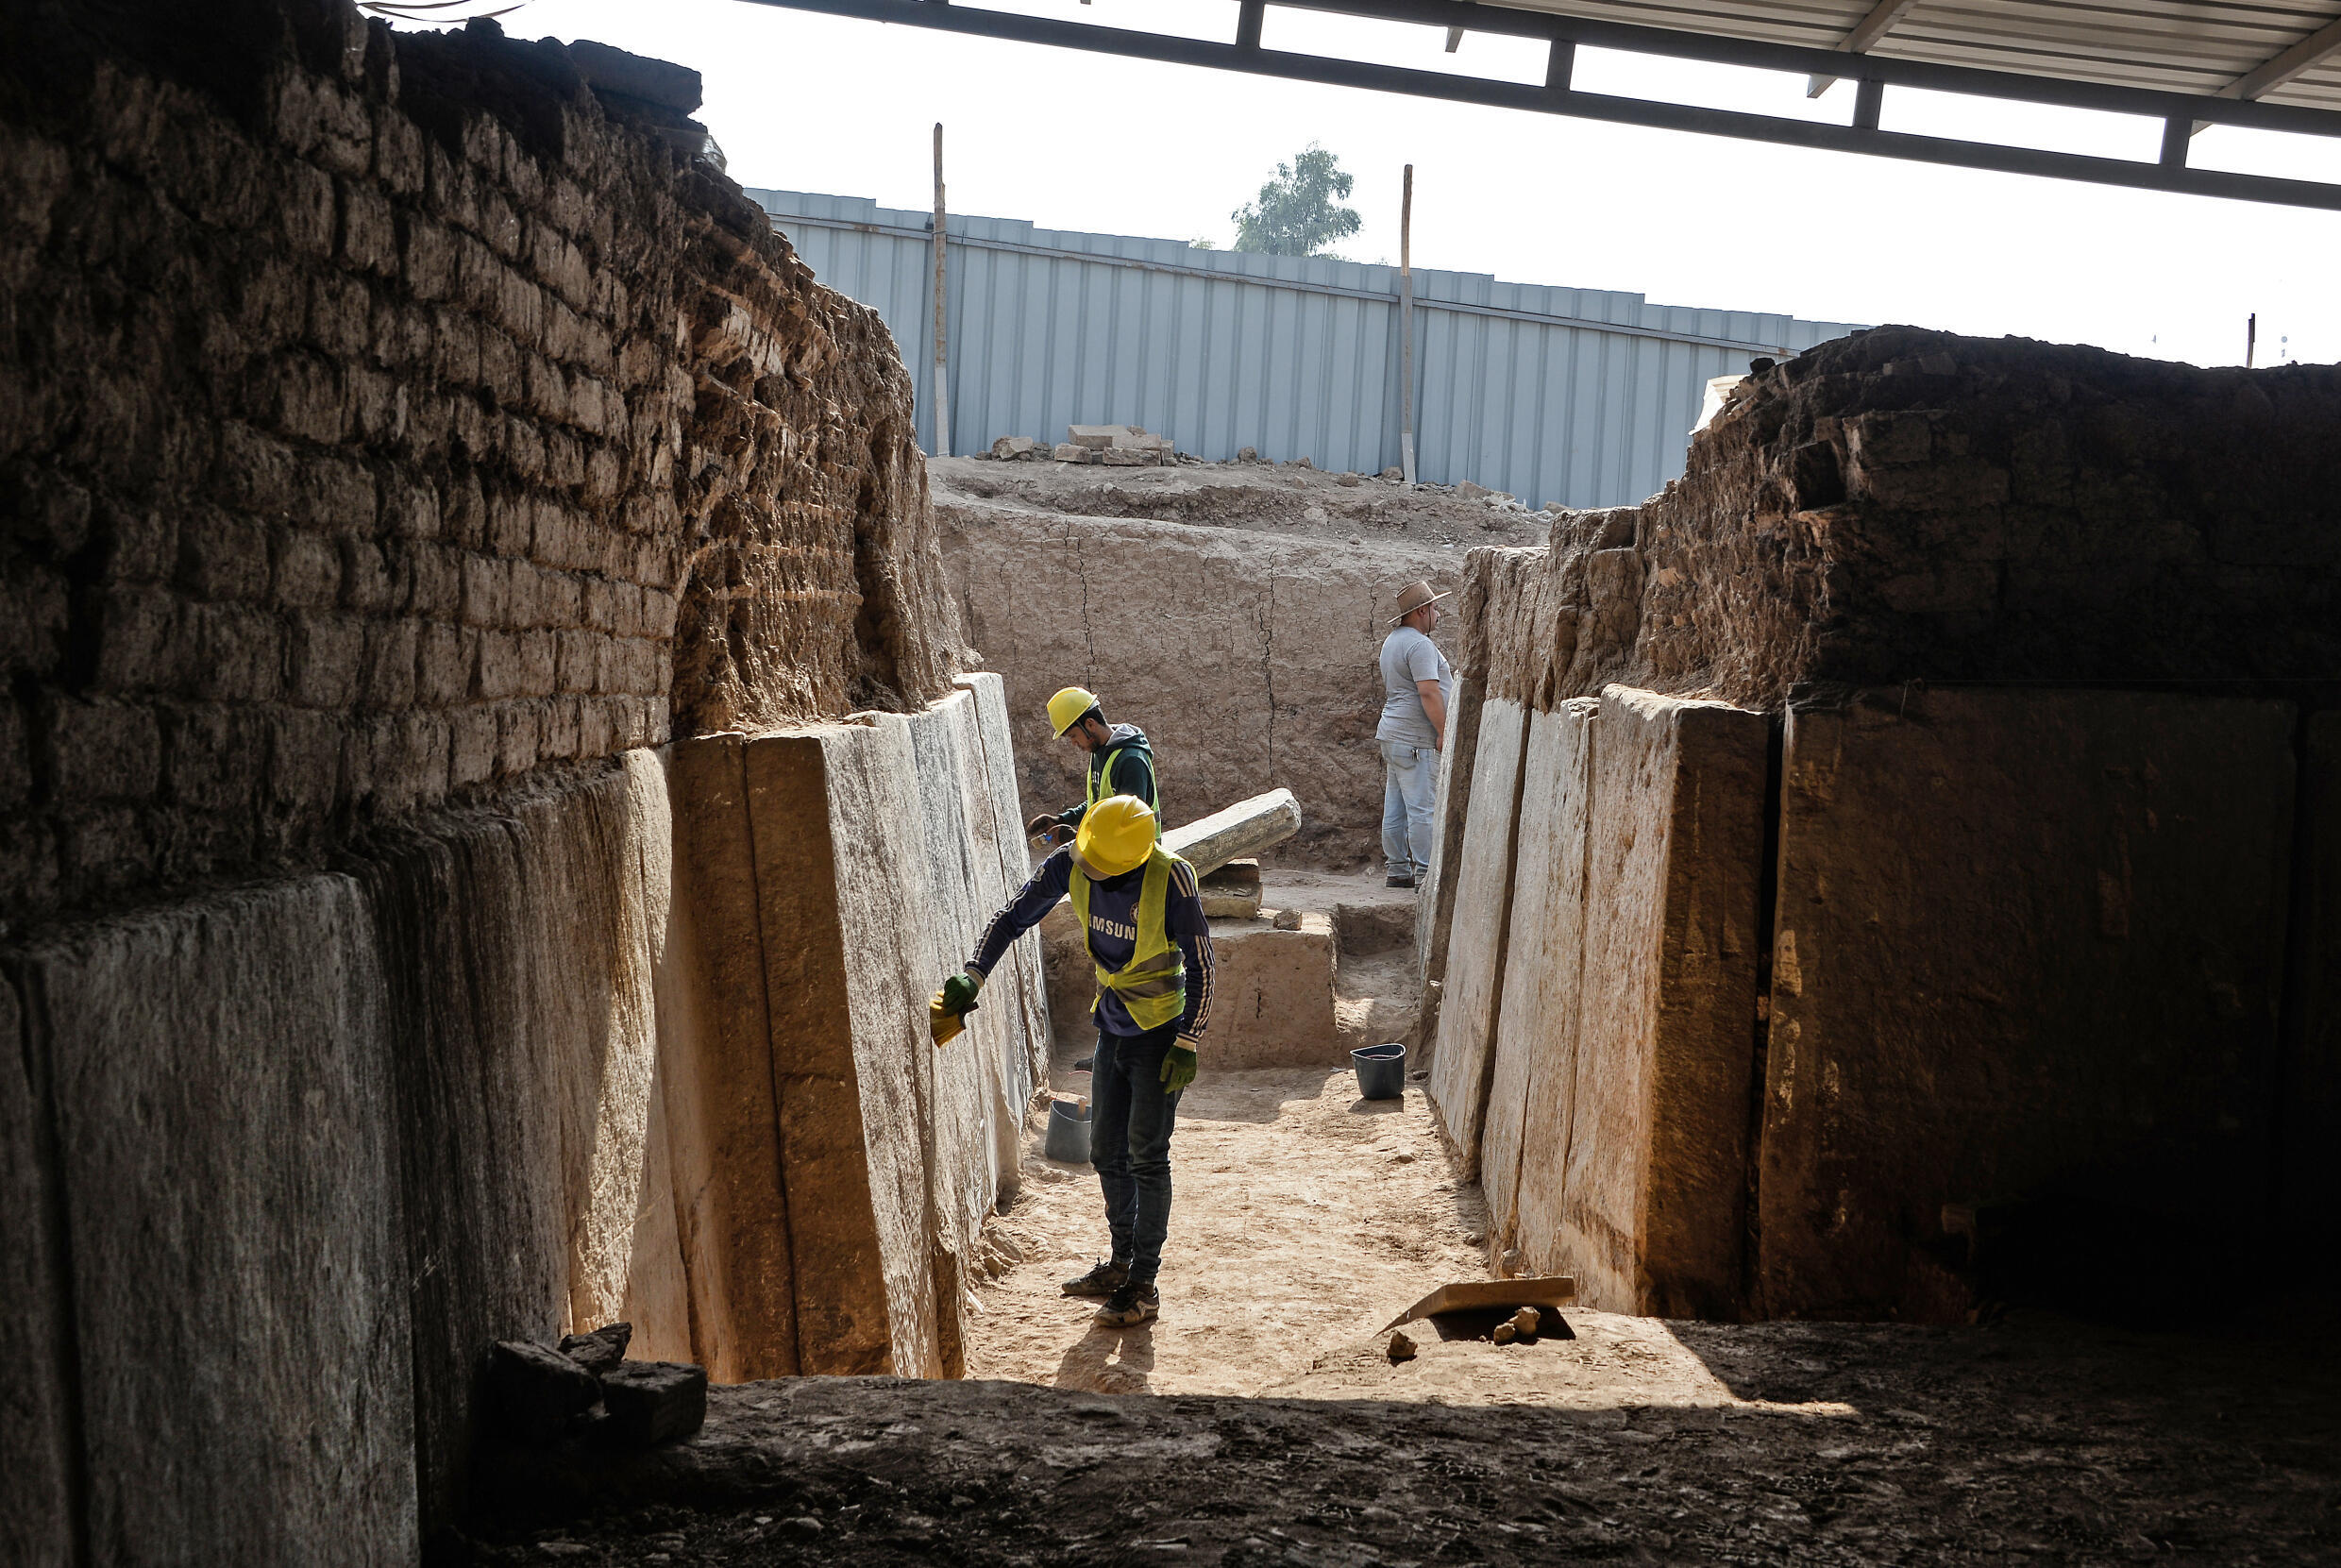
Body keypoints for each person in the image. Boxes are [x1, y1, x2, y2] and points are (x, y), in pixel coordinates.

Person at [930, 795, 1212, 1328]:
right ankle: (1121, 1262)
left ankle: (1144, 1284)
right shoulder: (1075, 859)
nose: (1090, 872)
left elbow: (1202, 963)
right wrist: (975, 972)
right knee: (1107, 1150)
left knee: (1147, 1155)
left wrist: (1188, 1040)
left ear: (1132, 858)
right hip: (1113, 1023)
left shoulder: (1170, 878)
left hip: (1159, 1034)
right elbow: (1014, 916)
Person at [1375, 579, 1453, 889]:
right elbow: (1429, 693)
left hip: (1393, 735)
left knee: (1395, 805)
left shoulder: (1393, 640)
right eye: (1434, 608)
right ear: (1421, 611)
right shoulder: (1420, 645)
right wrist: (1444, 731)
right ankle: (1424, 874)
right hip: (1414, 740)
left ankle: (1397, 869)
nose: (1438, 614)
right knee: (1422, 807)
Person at [1023, 686, 1160, 851]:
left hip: (1137, 862)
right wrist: (1062, 819)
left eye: (1073, 735)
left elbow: (1129, 826)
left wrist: (1076, 837)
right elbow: (1099, 804)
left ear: (1090, 724)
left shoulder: (1131, 761)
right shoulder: (1101, 752)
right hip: (1114, 856)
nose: (1073, 743)